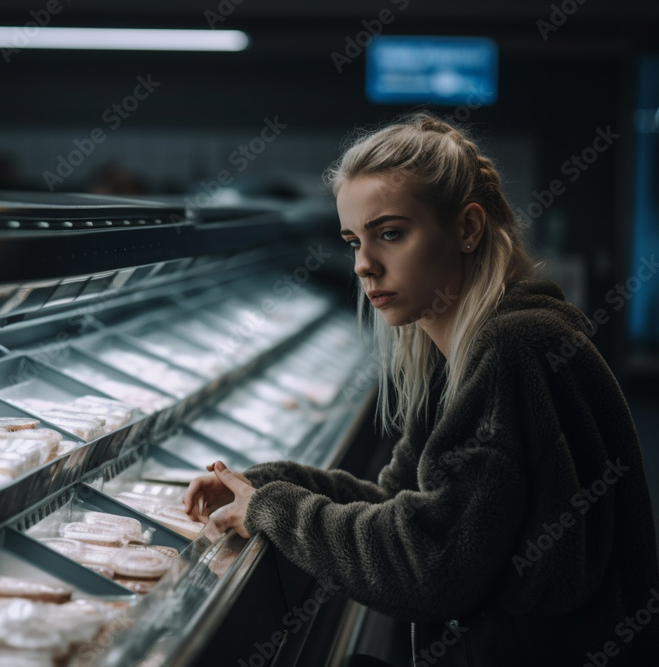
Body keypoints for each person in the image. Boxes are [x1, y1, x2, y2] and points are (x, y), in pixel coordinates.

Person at [182, 112, 659, 666]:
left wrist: (275, 510)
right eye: (352, 240)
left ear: (468, 229)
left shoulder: (511, 347)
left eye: (390, 234)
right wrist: (264, 485)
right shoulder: (456, 349)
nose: (363, 265)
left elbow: (430, 565)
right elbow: (402, 504)